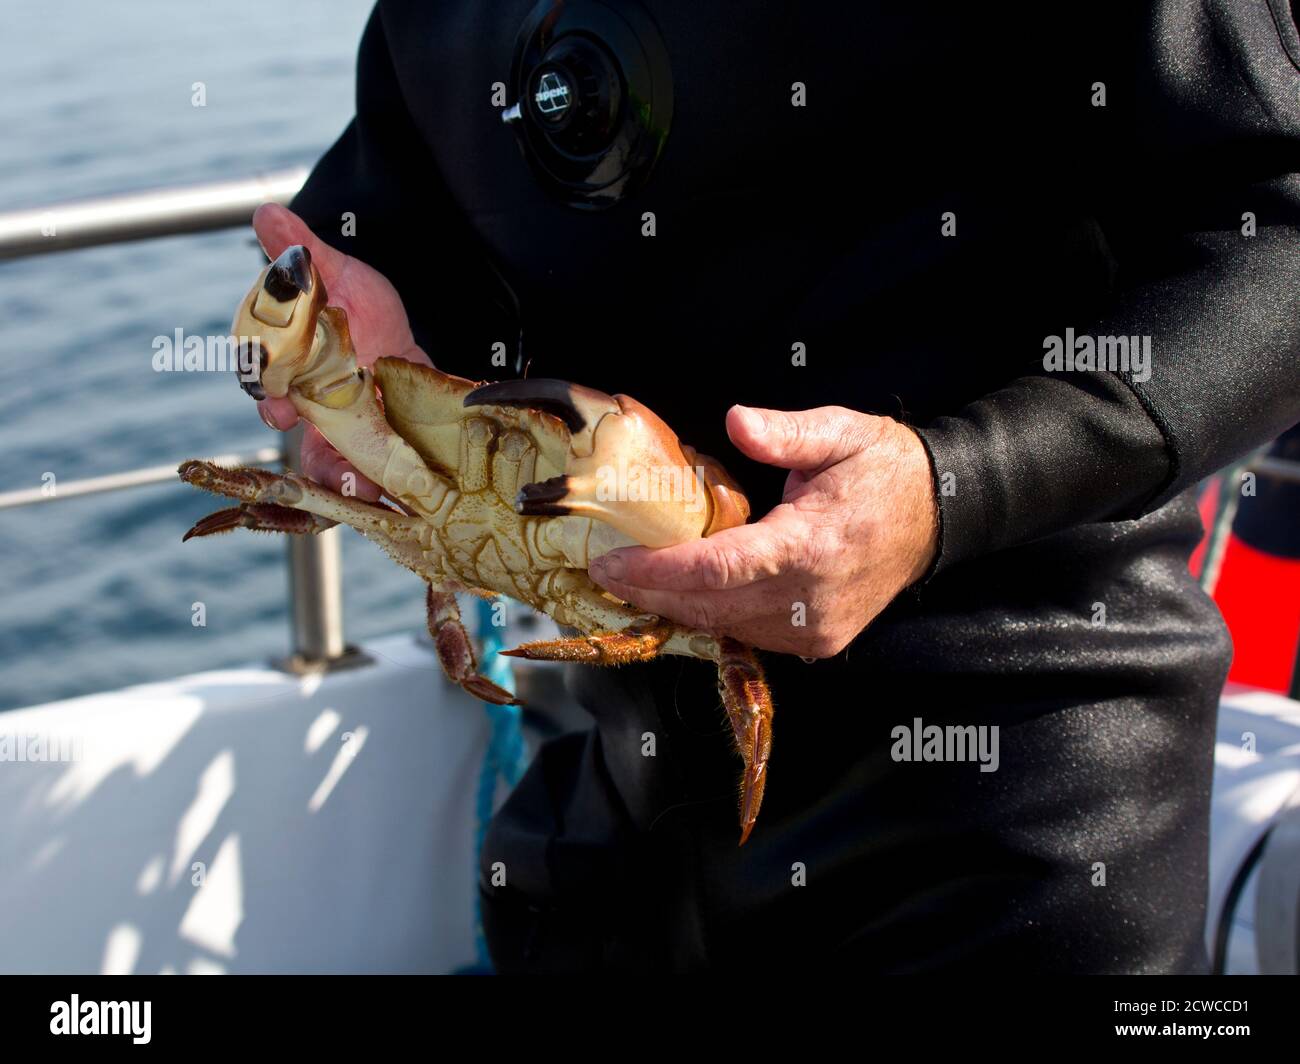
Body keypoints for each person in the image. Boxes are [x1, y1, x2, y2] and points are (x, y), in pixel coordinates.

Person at [252, 1, 1300, 972]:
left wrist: (951, 485)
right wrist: (353, 380)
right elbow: (388, 243)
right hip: (608, 818)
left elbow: (1276, 241)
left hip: (1008, 817)